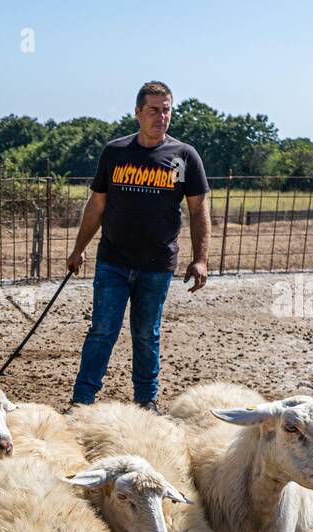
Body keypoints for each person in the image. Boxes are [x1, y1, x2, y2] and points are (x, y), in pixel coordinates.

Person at [67, 80, 210, 412]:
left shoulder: (184, 156)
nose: (161, 117)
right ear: (137, 113)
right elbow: (97, 204)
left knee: (147, 334)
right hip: (113, 260)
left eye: (166, 110)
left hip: (157, 264)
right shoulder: (115, 153)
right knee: (102, 330)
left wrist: (200, 259)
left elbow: (198, 209)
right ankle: (82, 401)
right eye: (153, 110)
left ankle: (146, 402)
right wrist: (79, 248)